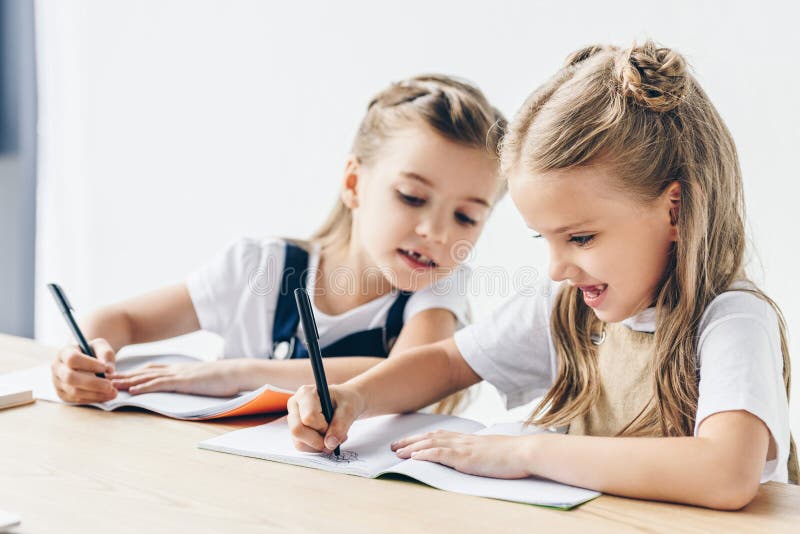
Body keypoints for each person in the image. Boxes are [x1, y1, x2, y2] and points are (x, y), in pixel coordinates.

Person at [287, 42, 798, 509]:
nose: (557, 268)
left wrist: (526, 452)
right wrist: (356, 398)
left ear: (675, 211)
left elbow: (726, 474)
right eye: (544, 238)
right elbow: (447, 364)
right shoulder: (569, 300)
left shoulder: (732, 319)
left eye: (580, 238)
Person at [51, 74, 506, 405]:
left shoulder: (439, 291)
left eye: (466, 217)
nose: (438, 232)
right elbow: (122, 319)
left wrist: (233, 373)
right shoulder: (261, 267)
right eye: (411, 197)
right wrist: (83, 357)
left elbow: (400, 375)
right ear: (353, 183)